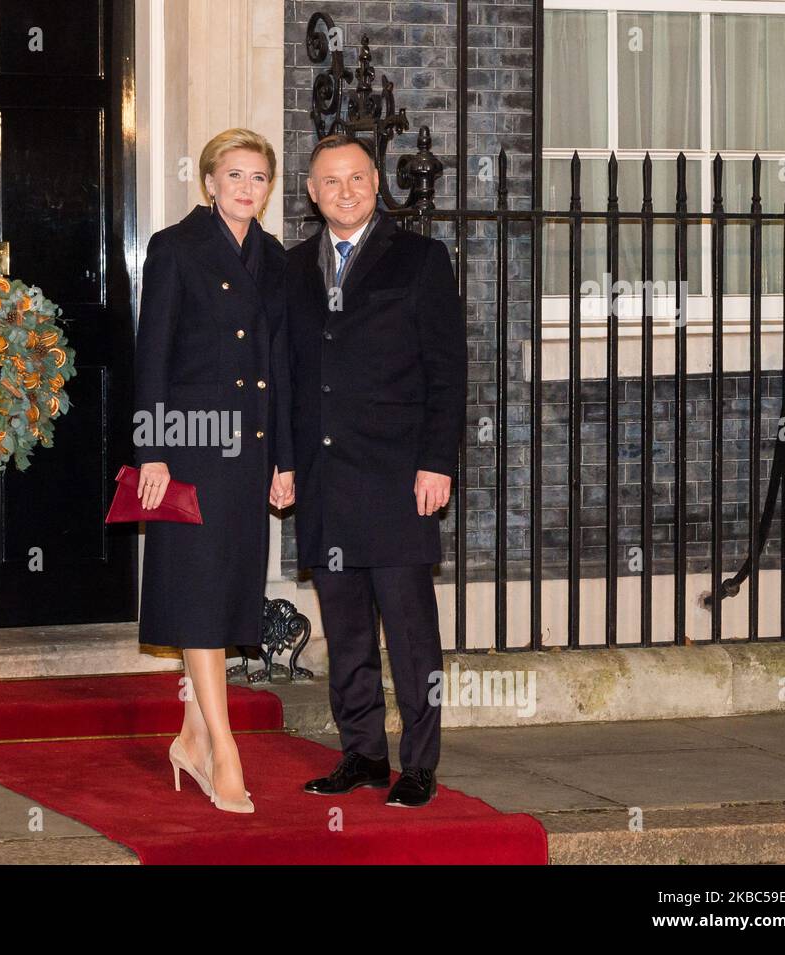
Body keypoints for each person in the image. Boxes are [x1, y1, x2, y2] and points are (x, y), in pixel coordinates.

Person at [286, 133, 466, 808]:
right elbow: (286, 374)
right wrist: (283, 463)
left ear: (376, 181)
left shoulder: (420, 259)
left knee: (412, 632)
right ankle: (362, 753)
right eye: (331, 182)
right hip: (326, 479)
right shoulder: (293, 265)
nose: (346, 191)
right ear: (312, 191)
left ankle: (419, 764)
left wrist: (435, 463)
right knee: (348, 630)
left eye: (357, 178)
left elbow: (447, 372)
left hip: (398, 479)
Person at [133, 128, 294, 814]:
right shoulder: (174, 248)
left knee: (229, 595)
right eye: (234, 175)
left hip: (248, 453)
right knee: (199, 595)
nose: (246, 188)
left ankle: (192, 736)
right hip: (189, 449)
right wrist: (152, 452)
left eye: (258, 177)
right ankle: (224, 751)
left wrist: (285, 458)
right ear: (208, 182)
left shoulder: (275, 259)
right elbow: (152, 357)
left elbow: (279, 365)